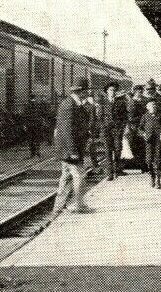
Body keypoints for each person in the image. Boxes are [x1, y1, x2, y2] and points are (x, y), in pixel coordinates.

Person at [53, 79, 93, 213]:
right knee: (79, 176)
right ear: (81, 91)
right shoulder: (69, 105)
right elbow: (67, 130)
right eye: (87, 91)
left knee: (66, 177)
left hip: (70, 148)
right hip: (69, 149)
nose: (88, 93)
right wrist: (72, 151)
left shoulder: (74, 103)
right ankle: (80, 206)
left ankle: (58, 207)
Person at [97, 82, 128, 180]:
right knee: (108, 151)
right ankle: (110, 173)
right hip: (106, 130)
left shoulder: (121, 102)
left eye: (114, 90)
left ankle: (118, 170)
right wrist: (103, 128)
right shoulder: (103, 103)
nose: (113, 92)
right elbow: (99, 117)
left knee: (118, 149)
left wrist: (122, 127)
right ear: (107, 91)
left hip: (117, 129)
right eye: (111, 90)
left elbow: (125, 116)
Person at [140, 99, 161, 189]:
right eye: (151, 106)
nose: (153, 108)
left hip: (159, 141)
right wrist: (143, 134)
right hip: (149, 141)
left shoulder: (160, 116)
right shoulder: (145, 116)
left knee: (158, 160)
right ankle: (152, 177)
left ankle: (158, 181)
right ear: (147, 108)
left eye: (154, 106)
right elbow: (140, 128)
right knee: (149, 160)